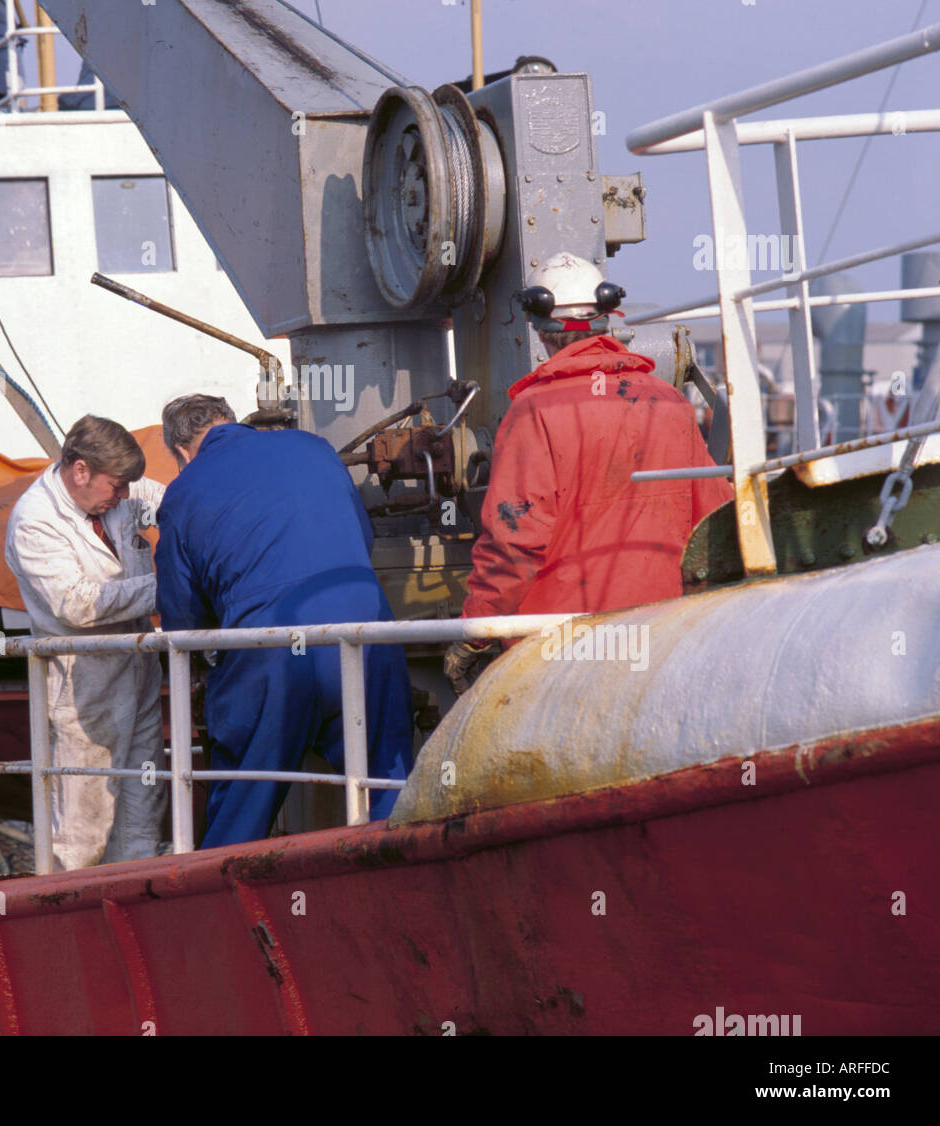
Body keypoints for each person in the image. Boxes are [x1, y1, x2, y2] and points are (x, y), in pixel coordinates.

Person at [445, 252, 732, 695]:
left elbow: (514, 542)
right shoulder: (670, 403)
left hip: (563, 658)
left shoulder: (534, 412)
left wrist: (476, 630)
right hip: (661, 642)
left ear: (539, 328)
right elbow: (715, 518)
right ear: (606, 316)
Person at [154, 394, 414, 847]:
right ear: (232, 421)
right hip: (365, 632)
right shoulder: (314, 447)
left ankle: (223, 892)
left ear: (181, 451)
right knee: (388, 780)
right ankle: (400, 875)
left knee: (244, 796)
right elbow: (361, 535)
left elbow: (183, 619)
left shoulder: (182, 492)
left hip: (270, 651)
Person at [5, 414, 167, 870]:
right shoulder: (35, 522)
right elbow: (77, 604)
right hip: (84, 686)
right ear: (80, 471)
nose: (123, 496)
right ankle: (66, 917)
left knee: (142, 812)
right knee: (82, 832)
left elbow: (168, 501)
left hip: (137, 671)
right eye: (116, 487)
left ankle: (134, 907)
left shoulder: (117, 491)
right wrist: (168, 585)